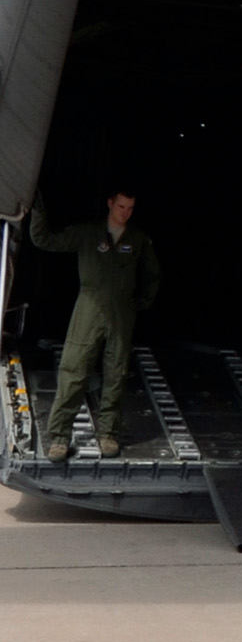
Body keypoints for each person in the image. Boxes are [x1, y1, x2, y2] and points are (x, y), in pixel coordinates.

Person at [30, 187, 160, 458]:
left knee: (116, 373)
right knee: (74, 368)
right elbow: (44, 240)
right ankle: (60, 437)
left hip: (121, 312)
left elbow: (152, 274)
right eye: (121, 206)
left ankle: (108, 434)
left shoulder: (137, 239)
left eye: (130, 208)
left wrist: (142, 302)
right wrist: (37, 211)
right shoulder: (89, 233)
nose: (125, 213)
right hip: (89, 306)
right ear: (110, 203)